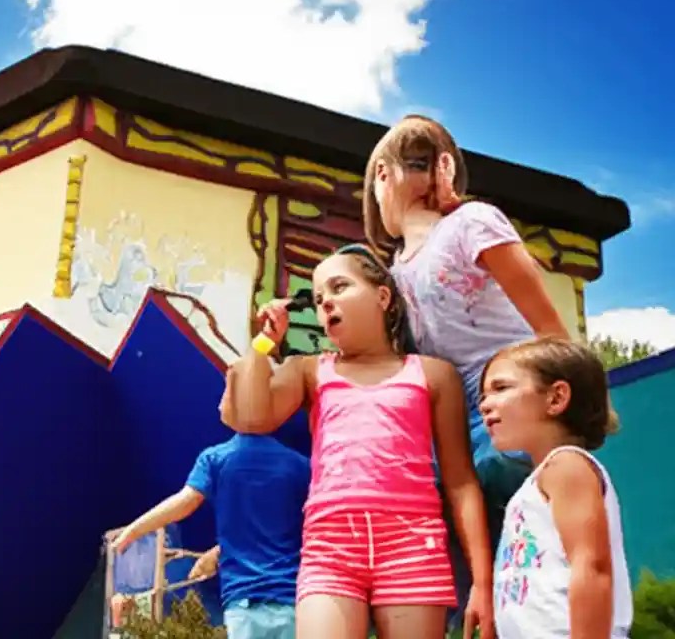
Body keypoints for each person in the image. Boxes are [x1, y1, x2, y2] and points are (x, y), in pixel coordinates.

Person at [225, 245, 494, 638]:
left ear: (383, 297)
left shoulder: (435, 375)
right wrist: (263, 343)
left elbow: (461, 482)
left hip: (413, 543)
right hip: (330, 544)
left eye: (339, 287)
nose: (326, 302)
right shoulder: (309, 370)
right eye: (318, 299)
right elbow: (251, 417)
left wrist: (482, 584)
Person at [363, 114, 571, 596]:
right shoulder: (395, 273)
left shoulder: (470, 224)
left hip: (513, 405)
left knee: (520, 517)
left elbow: (549, 327)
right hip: (455, 429)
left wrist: (573, 405)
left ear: (382, 177)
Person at [111, 384, 309, 639]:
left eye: (227, 394)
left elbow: (185, 502)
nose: (219, 402)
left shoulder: (216, 458)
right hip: (295, 599)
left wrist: (133, 531)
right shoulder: (299, 465)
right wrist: (217, 553)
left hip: (244, 600)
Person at [479, 337, 631, 637]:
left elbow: (592, 566)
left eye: (501, 388)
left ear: (556, 398)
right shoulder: (538, 481)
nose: (485, 405)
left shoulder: (566, 466)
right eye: (483, 396)